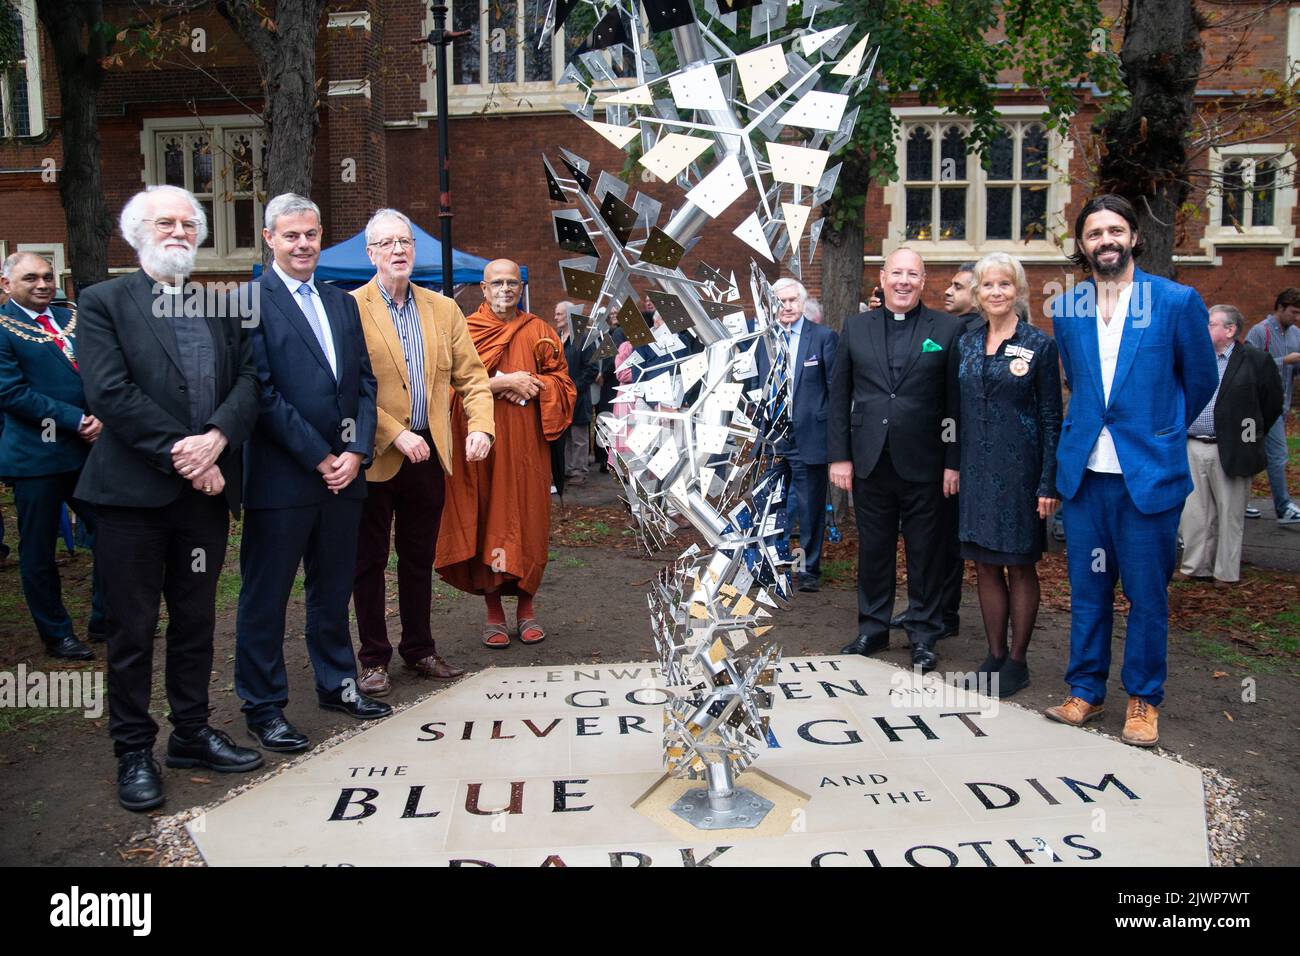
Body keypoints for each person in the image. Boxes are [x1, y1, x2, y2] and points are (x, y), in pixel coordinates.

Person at [74, 184, 263, 811]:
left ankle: (191, 733)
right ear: (136, 233)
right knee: (131, 629)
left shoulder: (220, 305)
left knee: (195, 621)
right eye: (165, 222)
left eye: (189, 223)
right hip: (131, 501)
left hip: (201, 503)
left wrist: (216, 440)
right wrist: (190, 457)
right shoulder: (103, 301)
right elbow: (110, 394)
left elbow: (246, 381)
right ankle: (133, 750)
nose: (178, 231)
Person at [1044, 194, 1218, 747]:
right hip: (1087, 477)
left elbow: (1202, 379)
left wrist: (1162, 428)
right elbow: (1078, 381)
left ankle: (1143, 699)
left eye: (1115, 230)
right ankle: (1086, 691)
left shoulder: (1175, 301)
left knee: (1147, 595)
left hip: (1148, 477)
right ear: (1082, 244)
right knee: (1088, 590)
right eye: (1094, 233)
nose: (1106, 241)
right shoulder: (1067, 310)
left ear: (1134, 237)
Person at [236, 193, 389, 755]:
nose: (303, 244)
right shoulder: (249, 301)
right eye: (291, 235)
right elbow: (261, 392)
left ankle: (338, 684)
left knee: (331, 590)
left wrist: (354, 453)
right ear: (270, 238)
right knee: (265, 596)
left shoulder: (342, 302)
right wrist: (318, 455)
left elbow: (364, 385)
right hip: (283, 479)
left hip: (345, 479)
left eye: (311, 234)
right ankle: (264, 706)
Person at [350, 209, 494, 697]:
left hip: (428, 454)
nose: (398, 250)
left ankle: (419, 648)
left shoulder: (443, 309)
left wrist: (482, 428)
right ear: (371, 254)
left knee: (416, 557)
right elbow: (349, 387)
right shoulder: (351, 308)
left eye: (405, 241)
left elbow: (472, 378)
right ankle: (373, 659)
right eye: (387, 243)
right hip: (374, 455)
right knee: (367, 561)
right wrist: (393, 432)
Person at [828, 248, 963, 671]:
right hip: (870, 461)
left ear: (923, 282)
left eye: (913, 275)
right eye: (897, 273)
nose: (904, 282)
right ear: (883, 278)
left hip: (926, 464)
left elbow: (955, 406)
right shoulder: (855, 327)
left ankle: (924, 633)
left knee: (926, 552)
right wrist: (840, 457)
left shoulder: (947, 328)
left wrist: (952, 461)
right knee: (874, 550)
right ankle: (873, 627)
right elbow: (839, 397)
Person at [435, 259, 576, 648]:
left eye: (512, 282)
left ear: (521, 286)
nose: (505, 289)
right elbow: (445, 384)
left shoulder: (539, 331)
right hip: (481, 446)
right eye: (496, 283)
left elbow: (564, 384)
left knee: (527, 521)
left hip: (527, 448)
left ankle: (527, 609)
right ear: (483, 288)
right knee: (487, 519)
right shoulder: (464, 329)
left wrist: (533, 384)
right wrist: (499, 384)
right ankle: (494, 612)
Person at [956, 253, 1061, 697]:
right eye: (987, 285)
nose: (995, 292)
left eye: (1004, 284)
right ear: (977, 294)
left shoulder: (1039, 345)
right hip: (976, 472)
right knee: (984, 565)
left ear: (1018, 290)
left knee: (1018, 566)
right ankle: (994, 656)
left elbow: (1053, 417)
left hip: (1021, 474)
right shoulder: (966, 341)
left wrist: (1048, 482)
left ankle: (1017, 662)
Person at [0, 252, 106, 660]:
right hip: (36, 459)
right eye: (31, 278)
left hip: (89, 454)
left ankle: (104, 618)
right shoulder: (3, 329)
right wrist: (77, 419)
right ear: (7, 283)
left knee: (111, 535)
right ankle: (56, 633)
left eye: (48, 276)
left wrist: (104, 416)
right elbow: (10, 393)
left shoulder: (70, 318)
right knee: (38, 551)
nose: (43, 284)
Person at [892, 261, 984, 636]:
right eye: (948, 285)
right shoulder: (955, 328)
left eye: (959, 287)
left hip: (961, 452)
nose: (948, 291)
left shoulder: (970, 334)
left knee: (947, 539)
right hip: (939, 451)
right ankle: (935, 610)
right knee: (939, 538)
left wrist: (953, 455)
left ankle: (942, 614)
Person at [1177, 305, 1282, 585]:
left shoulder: (1255, 361)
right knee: (1195, 514)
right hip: (1192, 445)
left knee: (1229, 513)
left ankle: (1225, 572)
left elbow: (1271, 403)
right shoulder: (1195, 358)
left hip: (1233, 447)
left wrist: (1249, 434)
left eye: (1210, 324)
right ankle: (1195, 566)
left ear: (1230, 330)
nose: (1204, 328)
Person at [756, 278, 838, 592]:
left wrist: (835, 442)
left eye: (792, 300)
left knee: (809, 508)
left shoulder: (823, 338)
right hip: (773, 439)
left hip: (810, 436)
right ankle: (771, 566)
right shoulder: (763, 341)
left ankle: (807, 570)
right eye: (780, 302)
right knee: (769, 506)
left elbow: (835, 391)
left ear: (802, 303)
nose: (786, 307)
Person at [1242, 288, 1300, 527]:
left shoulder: (1295, 334)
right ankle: (1283, 507)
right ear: (1280, 307)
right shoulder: (1260, 331)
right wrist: (1284, 361)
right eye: (1294, 312)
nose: (1296, 318)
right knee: (1277, 455)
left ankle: (1240, 502)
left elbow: (1295, 370)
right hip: (1257, 406)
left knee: (1252, 455)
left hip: (1281, 405)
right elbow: (1246, 366)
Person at [554, 300, 597, 485]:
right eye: (556, 314)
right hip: (560, 397)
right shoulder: (556, 338)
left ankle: (578, 471)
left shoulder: (583, 339)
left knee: (579, 436)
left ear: (570, 315)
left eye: (559, 314)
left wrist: (574, 386)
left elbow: (592, 369)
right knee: (564, 435)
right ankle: (566, 470)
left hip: (578, 397)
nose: (556, 317)